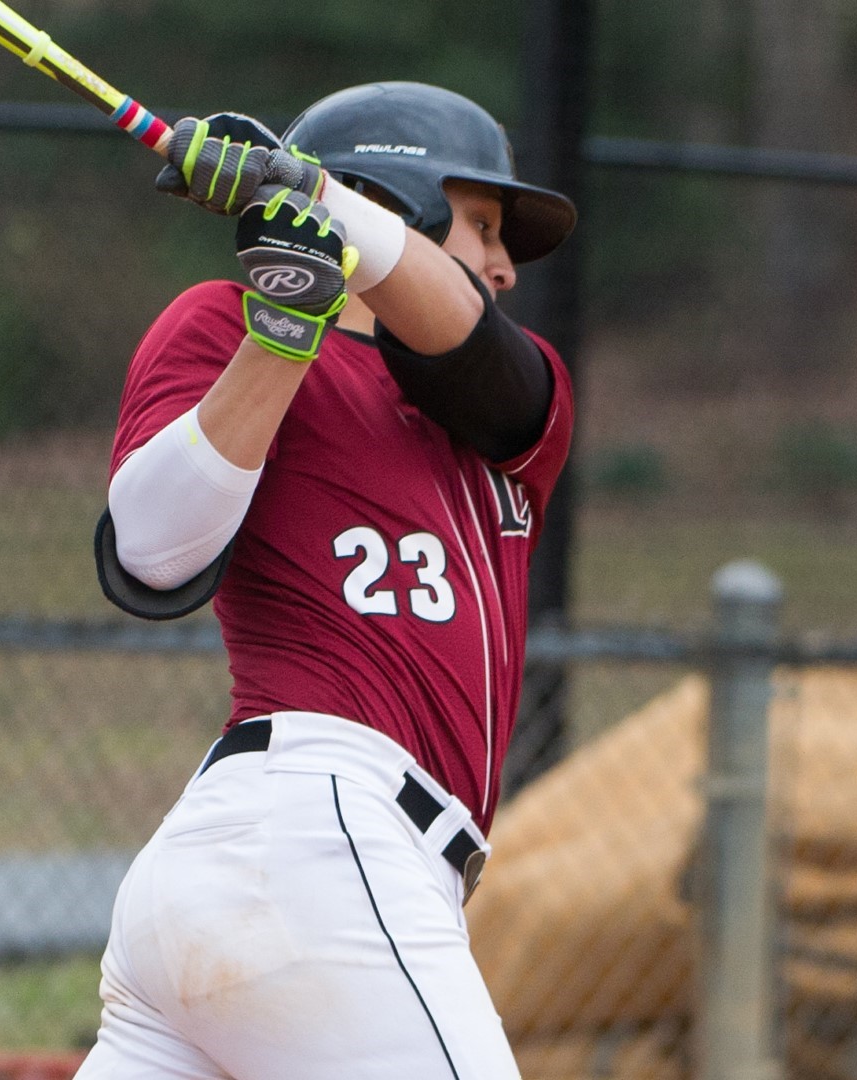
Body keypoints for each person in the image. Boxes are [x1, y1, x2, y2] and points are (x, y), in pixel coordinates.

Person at [81, 81, 577, 1080]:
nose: (505, 266)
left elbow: (478, 352)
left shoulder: (519, 396)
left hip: (310, 874)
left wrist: (319, 201)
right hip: (321, 836)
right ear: (403, 200)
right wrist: (281, 337)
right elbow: (151, 554)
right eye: (480, 224)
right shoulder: (219, 323)